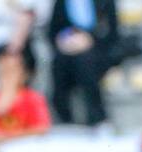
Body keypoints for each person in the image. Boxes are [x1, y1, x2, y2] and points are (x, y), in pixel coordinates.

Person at [48, 0, 118, 128]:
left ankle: (97, 117)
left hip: (98, 50)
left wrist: (90, 40)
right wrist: (65, 41)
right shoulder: (61, 2)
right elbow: (53, 31)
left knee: (85, 63)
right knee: (59, 63)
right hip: (68, 49)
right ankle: (64, 118)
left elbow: (112, 32)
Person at [0, 50, 51, 139]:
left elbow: (41, 128)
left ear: (24, 74)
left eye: (11, 70)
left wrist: (9, 137)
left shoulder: (33, 98)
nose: (6, 74)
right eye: (3, 70)